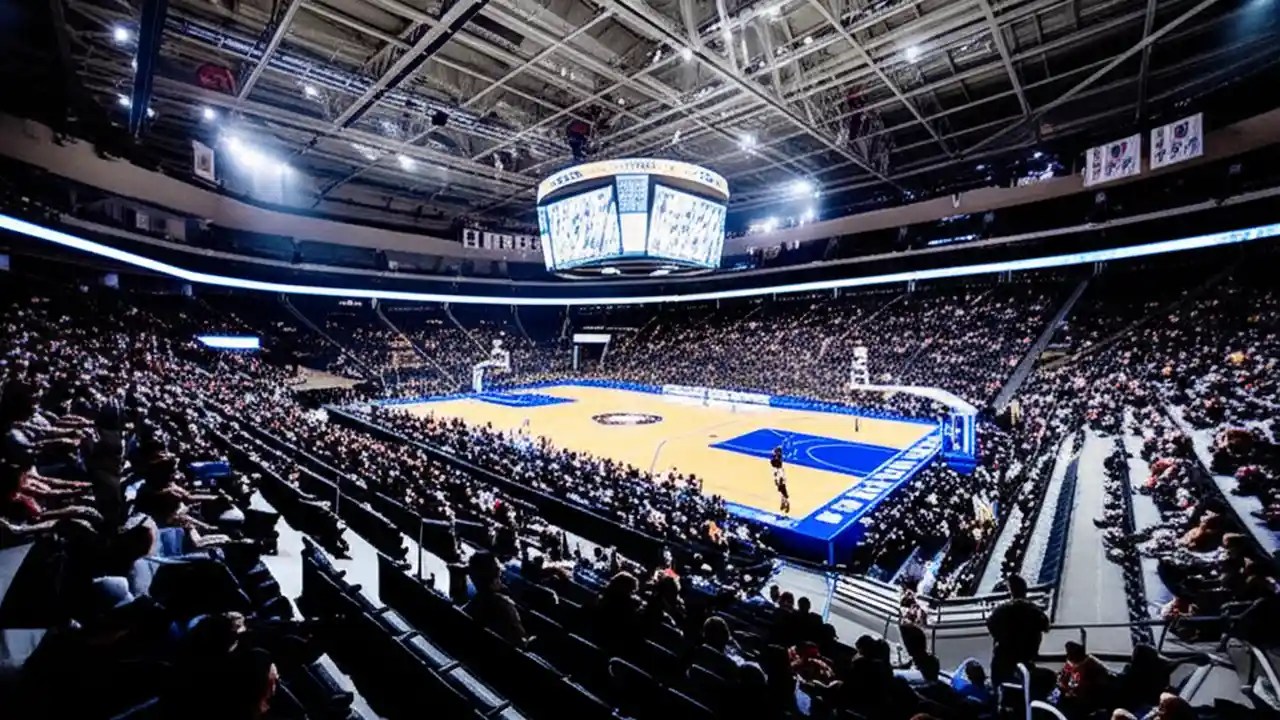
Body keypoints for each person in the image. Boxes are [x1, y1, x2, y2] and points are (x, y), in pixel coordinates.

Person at [986, 574, 1049, 686]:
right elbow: (1045, 626)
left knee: (999, 683)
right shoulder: (1033, 609)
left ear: (1011, 591)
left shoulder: (1002, 610)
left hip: (1004, 655)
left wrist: (1002, 637)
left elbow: (990, 624)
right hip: (1026, 654)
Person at [462, 551, 527, 646]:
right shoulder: (506, 607)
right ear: (494, 580)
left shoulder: (468, 608)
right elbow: (520, 641)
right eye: (499, 576)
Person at [1055, 641, 1110, 716]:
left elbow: (1098, 687)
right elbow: (1061, 679)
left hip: (1084, 703)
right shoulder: (1070, 664)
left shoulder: (1091, 665)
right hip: (1069, 698)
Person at [771, 446, 790, 514]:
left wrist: (780, 479)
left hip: (780, 474)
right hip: (777, 474)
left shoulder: (778, 460)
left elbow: (778, 466)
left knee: (782, 489)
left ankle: (787, 503)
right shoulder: (775, 459)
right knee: (780, 490)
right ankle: (783, 502)